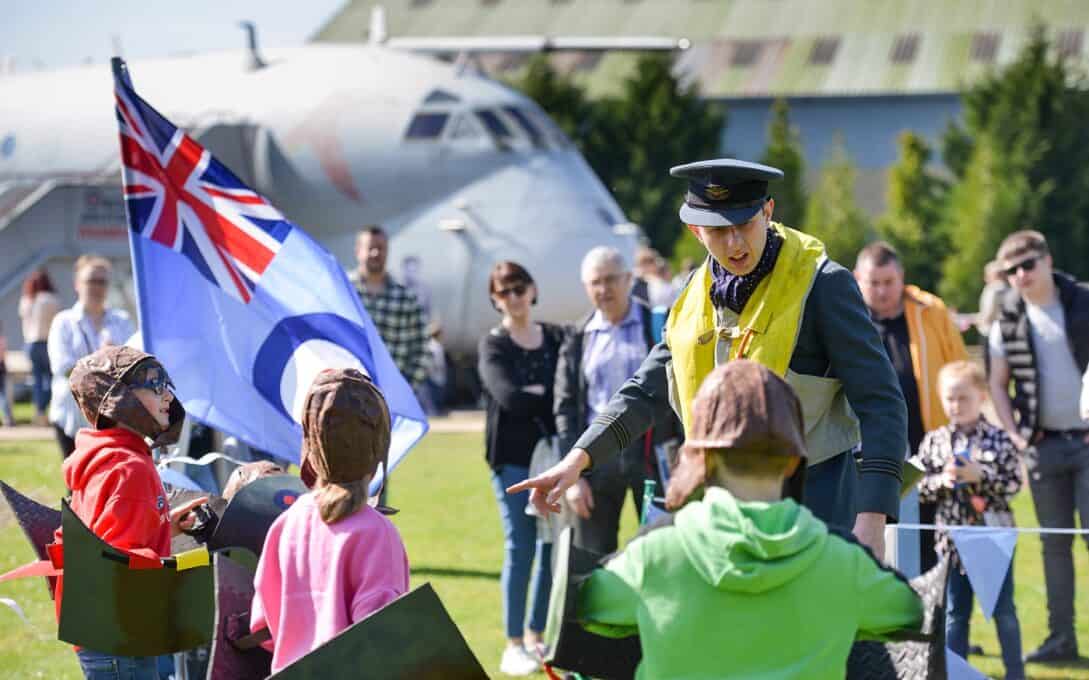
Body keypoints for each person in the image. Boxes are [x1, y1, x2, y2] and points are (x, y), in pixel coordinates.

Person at [511, 159, 907, 557]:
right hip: (720, 517)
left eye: (744, 225)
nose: (734, 244)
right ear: (695, 231)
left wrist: (872, 518)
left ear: (767, 212)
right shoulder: (692, 295)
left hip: (813, 516)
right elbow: (646, 390)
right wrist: (577, 460)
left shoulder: (824, 285)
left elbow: (881, 402)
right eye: (718, 231)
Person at [577, 360, 924, 679]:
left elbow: (588, 610)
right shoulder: (845, 564)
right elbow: (909, 615)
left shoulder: (650, 557)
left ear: (702, 457)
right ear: (793, 463)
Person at [50, 345, 202, 680]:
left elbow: (107, 538)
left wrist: (167, 527)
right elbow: (122, 568)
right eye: (155, 383)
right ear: (118, 399)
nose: (168, 395)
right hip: (123, 636)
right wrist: (193, 567)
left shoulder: (112, 457)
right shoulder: (128, 467)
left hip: (107, 633)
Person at [251, 368, 409, 674]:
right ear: (378, 449)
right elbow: (379, 639)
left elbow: (263, 623)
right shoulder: (376, 533)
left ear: (311, 446)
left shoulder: (288, 523)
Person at [988, 229, 1089, 663]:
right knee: (1053, 545)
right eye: (1012, 271)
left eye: (1028, 265)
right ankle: (1061, 640)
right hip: (1042, 446)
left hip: (1086, 442)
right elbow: (995, 382)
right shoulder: (1006, 319)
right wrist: (1013, 433)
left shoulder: (1083, 300)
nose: (1022, 275)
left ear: (1048, 260)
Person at [855, 241, 968, 571]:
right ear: (857, 278)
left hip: (930, 454)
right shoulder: (847, 317)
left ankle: (930, 621)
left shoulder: (931, 311)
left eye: (889, 282)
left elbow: (961, 371)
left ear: (902, 277)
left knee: (931, 550)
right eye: (873, 283)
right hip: (868, 459)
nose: (882, 290)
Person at [554, 247, 675, 554]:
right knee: (591, 559)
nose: (603, 289)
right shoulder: (578, 337)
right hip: (595, 458)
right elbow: (566, 408)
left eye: (611, 280)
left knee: (660, 550)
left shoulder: (659, 325)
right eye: (595, 282)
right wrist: (574, 477)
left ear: (629, 280)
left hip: (651, 455)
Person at [477, 261, 565, 676]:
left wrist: (542, 394)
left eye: (518, 287)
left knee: (551, 544)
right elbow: (509, 397)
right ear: (495, 299)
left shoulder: (557, 337)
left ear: (532, 289)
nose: (513, 297)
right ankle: (513, 643)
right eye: (503, 291)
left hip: (553, 457)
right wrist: (546, 395)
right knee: (522, 545)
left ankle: (537, 634)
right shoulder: (493, 346)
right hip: (511, 458)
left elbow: (569, 391)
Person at [913, 360, 1024, 679]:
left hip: (995, 539)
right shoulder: (934, 440)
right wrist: (939, 482)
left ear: (982, 397)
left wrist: (983, 476)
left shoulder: (999, 439)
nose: (956, 405)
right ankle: (954, 672)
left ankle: (1015, 673)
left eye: (964, 398)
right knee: (954, 613)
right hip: (950, 541)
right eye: (950, 398)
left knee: (1004, 611)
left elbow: (1015, 484)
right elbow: (916, 487)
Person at [48, 256, 134, 459]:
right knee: (77, 487)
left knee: (109, 482)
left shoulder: (122, 320)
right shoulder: (64, 322)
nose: (97, 287)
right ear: (77, 284)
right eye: (91, 281)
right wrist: (103, 359)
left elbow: (135, 364)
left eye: (102, 281)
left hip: (114, 419)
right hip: (72, 418)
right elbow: (63, 367)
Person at [351, 226, 428, 391]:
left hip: (391, 397)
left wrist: (406, 389)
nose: (376, 253)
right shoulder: (343, 290)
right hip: (347, 392)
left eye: (381, 248)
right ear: (358, 251)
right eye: (370, 248)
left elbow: (422, 349)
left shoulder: (405, 297)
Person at [19, 268, 59, 425]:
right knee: (51, 379)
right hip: (45, 342)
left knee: (37, 380)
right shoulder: (50, 299)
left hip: (29, 344)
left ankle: (39, 410)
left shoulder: (26, 300)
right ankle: (42, 410)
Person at [0, 323, 14, 427]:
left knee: (3, 395)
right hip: (1, 367)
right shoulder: (2, 339)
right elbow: (3, 355)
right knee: (3, 395)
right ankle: (7, 418)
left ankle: (7, 419)